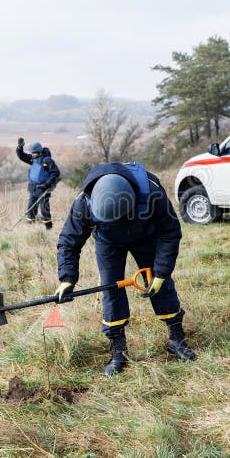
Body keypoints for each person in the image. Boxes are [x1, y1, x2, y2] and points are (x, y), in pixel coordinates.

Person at [55, 161, 196, 376]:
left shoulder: (152, 194)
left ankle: (176, 339)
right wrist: (67, 278)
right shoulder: (83, 203)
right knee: (111, 291)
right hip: (108, 243)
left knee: (161, 286)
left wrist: (161, 273)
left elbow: (170, 232)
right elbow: (68, 242)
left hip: (146, 236)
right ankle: (118, 352)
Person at [16, 138, 60, 229]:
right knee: (31, 208)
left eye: (34, 153)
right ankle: (30, 226)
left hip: (43, 188)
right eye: (31, 153)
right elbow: (22, 156)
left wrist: (46, 184)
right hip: (33, 188)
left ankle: (49, 227)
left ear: (39, 152)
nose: (32, 154)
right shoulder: (33, 159)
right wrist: (19, 148)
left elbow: (55, 173)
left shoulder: (47, 160)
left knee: (44, 209)